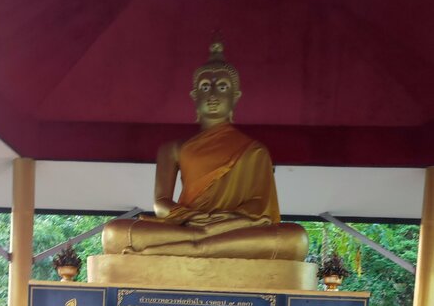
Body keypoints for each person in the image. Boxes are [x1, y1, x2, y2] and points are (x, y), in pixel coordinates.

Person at [102, 40, 308, 260]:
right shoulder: (172, 149)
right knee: (115, 233)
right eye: (205, 87)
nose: (212, 95)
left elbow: (259, 208)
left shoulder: (254, 151)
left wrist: (224, 220)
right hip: (188, 226)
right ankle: (196, 244)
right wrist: (193, 217)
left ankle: (191, 247)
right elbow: (161, 203)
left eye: (222, 87)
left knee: (295, 239)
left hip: (234, 229)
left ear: (235, 97)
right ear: (194, 96)